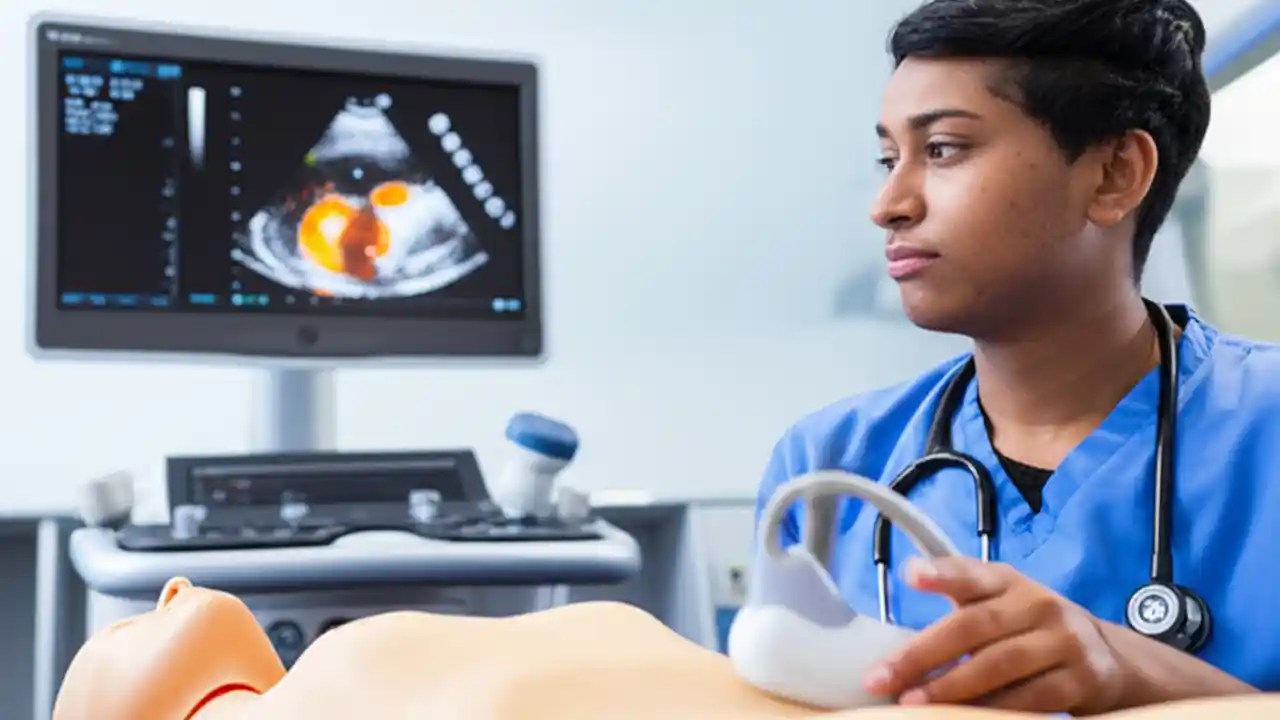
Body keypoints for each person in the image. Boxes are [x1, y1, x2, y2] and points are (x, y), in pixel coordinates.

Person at [753, 0, 1280, 715]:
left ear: (1115, 174)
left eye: (943, 149)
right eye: (889, 159)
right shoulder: (828, 467)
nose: (889, 204)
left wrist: (1132, 673)